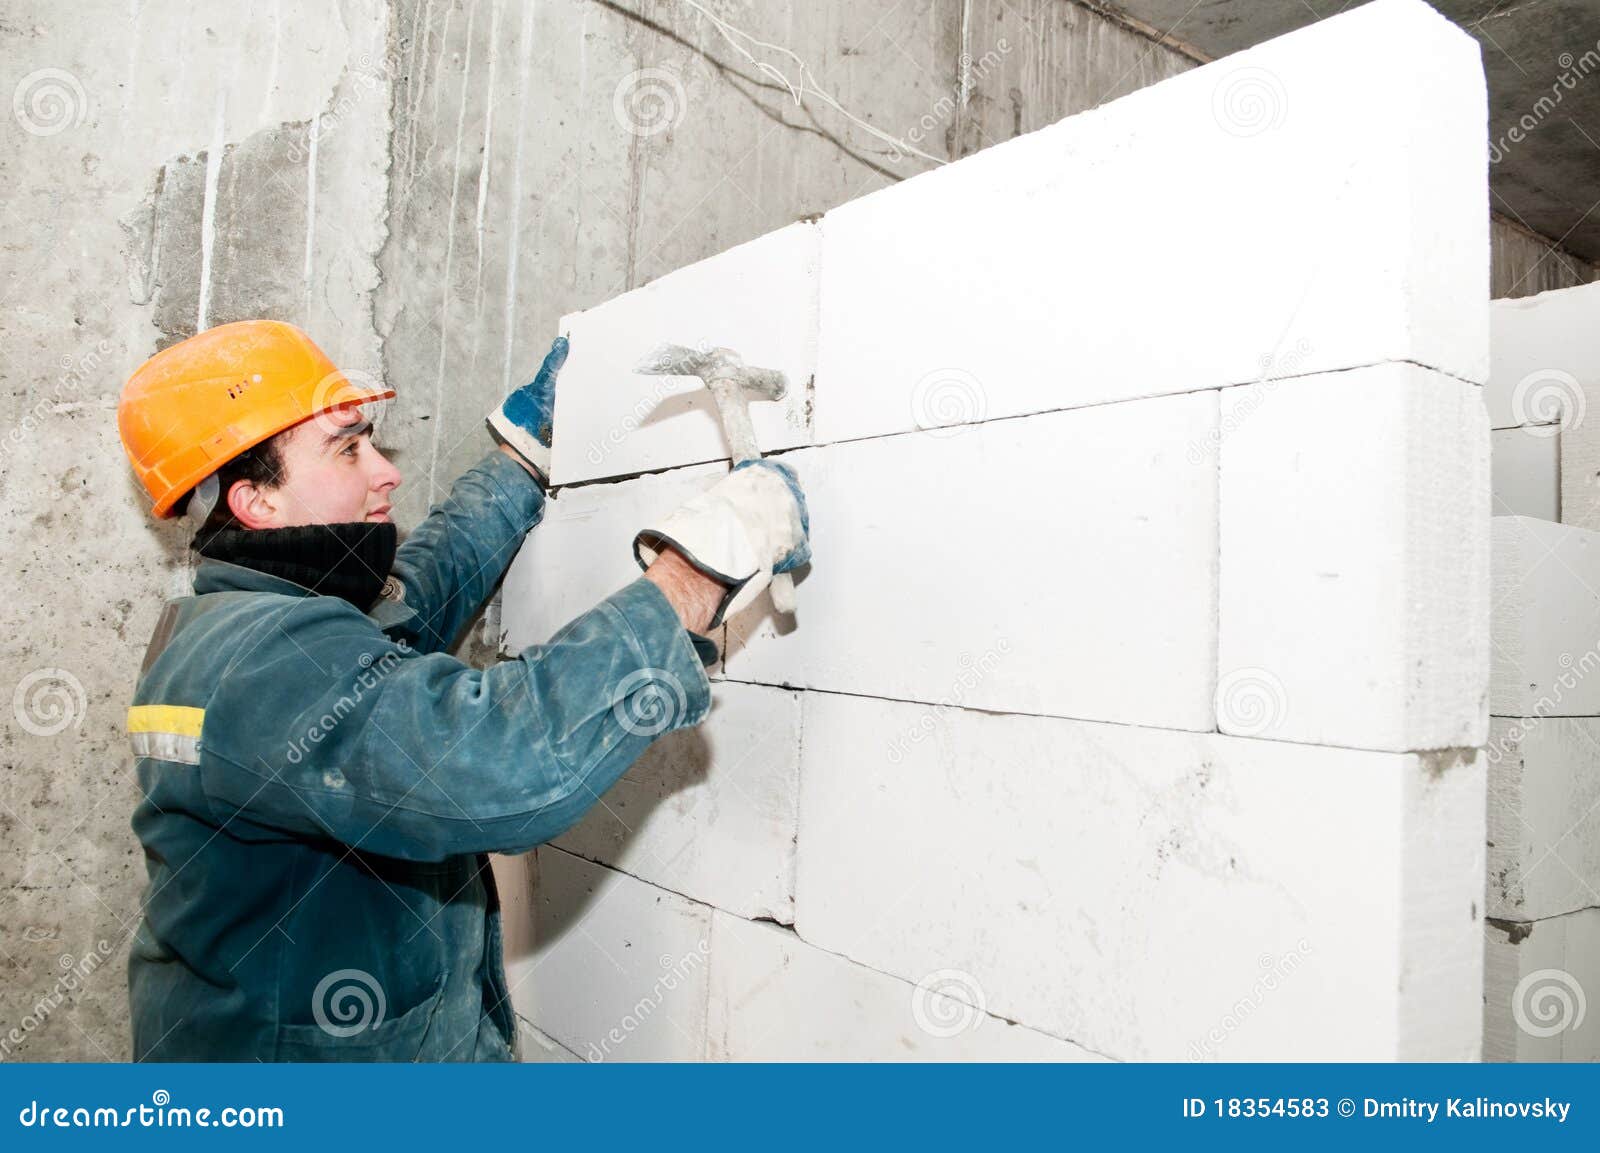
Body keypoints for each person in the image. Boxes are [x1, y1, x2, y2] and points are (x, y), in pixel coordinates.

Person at [116, 319, 809, 1061]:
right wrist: (700, 567)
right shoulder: (264, 665)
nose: (387, 471)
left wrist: (519, 459)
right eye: (347, 449)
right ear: (257, 502)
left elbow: (416, 597)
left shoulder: (248, 622)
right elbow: (496, 764)